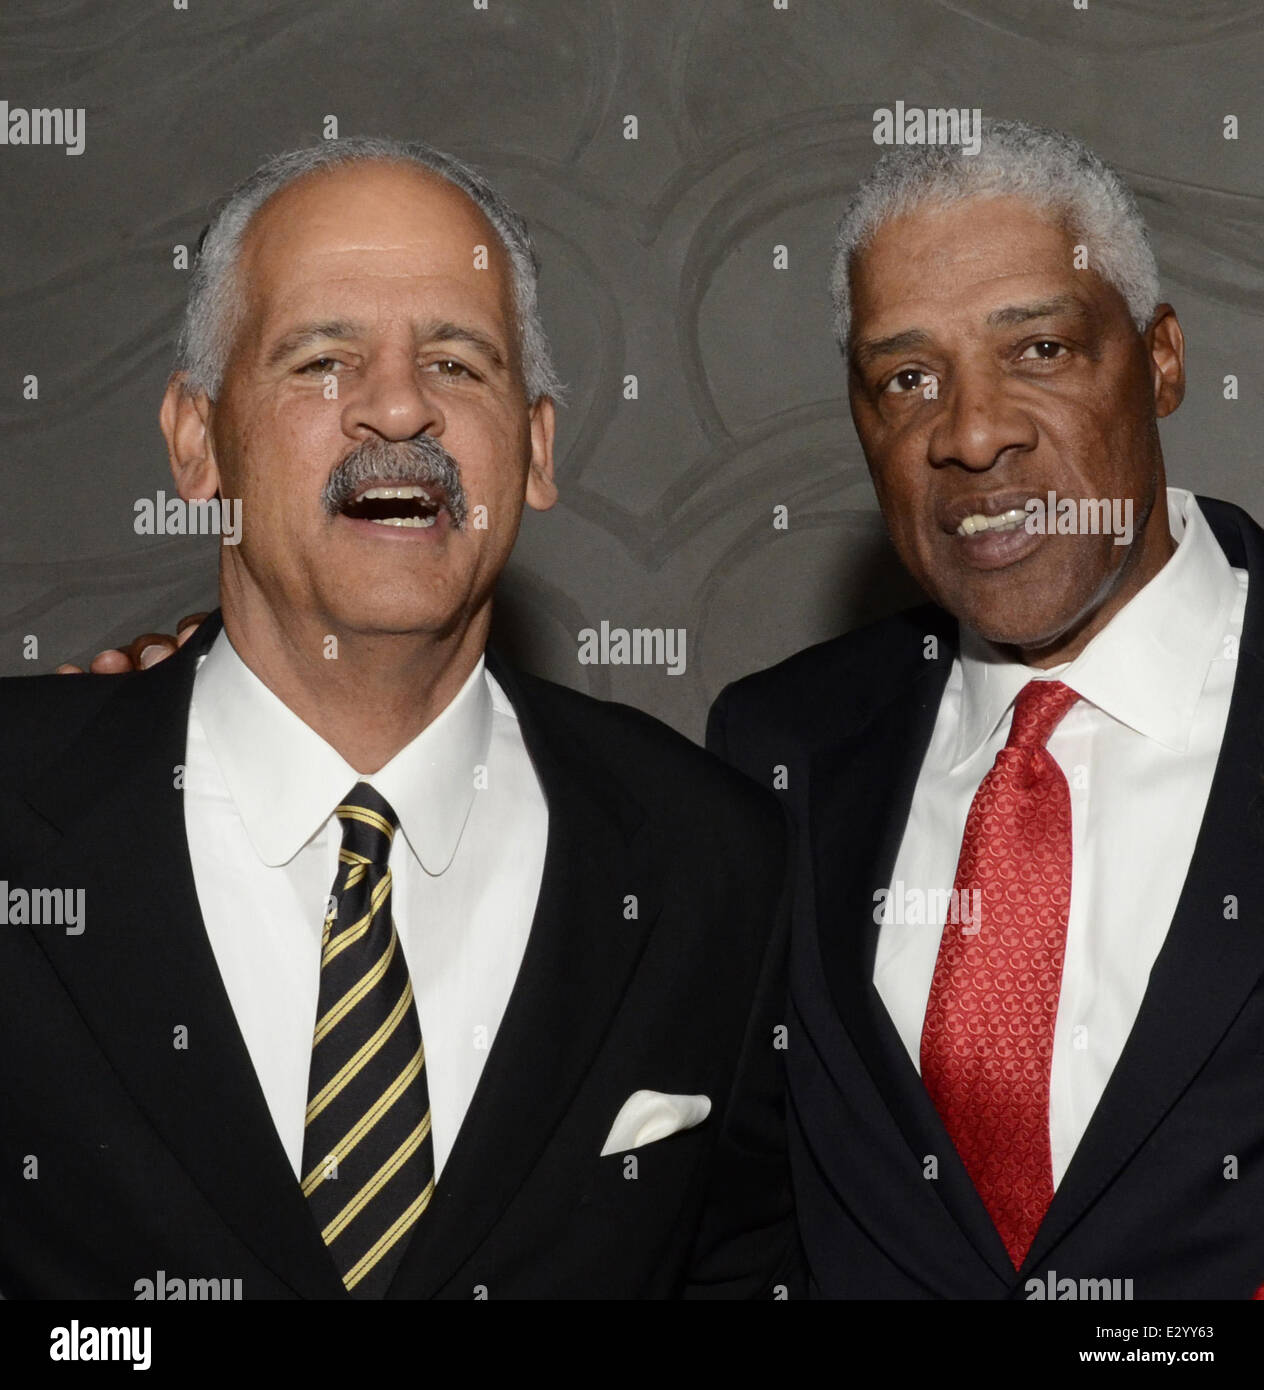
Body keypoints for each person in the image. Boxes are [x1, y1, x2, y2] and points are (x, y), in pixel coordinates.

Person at [0, 137, 797, 1300]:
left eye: (456, 363)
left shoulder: (715, 862)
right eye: (322, 360)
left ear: (536, 448)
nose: (396, 406)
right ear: (196, 441)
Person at [709, 118, 1264, 1298]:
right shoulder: (780, 749)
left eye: (1039, 349)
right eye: (907, 379)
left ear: (1161, 360)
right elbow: (741, 1215)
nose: (969, 432)